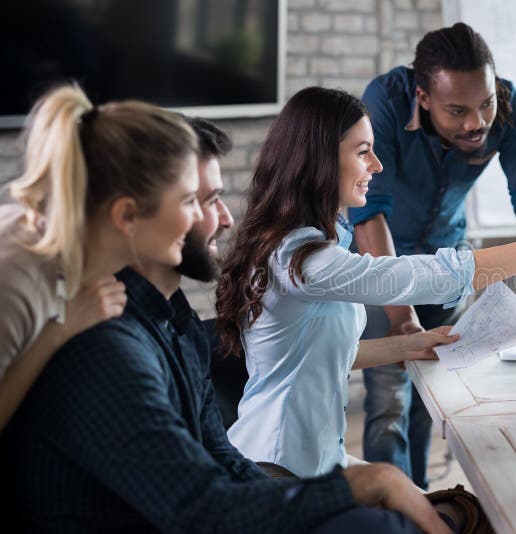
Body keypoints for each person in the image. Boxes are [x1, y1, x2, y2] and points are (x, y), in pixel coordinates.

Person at [1, 116, 476, 534]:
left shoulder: (174, 321)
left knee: (429, 512)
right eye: (196, 200)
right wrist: (364, 483)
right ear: (128, 217)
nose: (226, 218)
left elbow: (224, 460)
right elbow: (199, 510)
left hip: (243, 488)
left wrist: (344, 490)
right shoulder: (105, 348)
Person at [215, 86, 516, 481]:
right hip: (278, 467)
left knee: (419, 500)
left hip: (315, 458)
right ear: (321, 160)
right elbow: (432, 277)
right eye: (363, 151)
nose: (377, 165)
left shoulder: (304, 243)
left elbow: (313, 354)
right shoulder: (303, 258)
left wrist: (410, 345)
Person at [350, 22, 516, 487]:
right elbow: (369, 214)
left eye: (484, 103)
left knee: (431, 394)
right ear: (424, 98)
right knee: (389, 400)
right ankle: (391, 511)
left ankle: (419, 497)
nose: (477, 122)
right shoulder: (384, 100)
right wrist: (402, 317)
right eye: (458, 110)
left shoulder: (504, 106)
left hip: (448, 265)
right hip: (381, 261)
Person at [0, 84, 203, 430]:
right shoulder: (18, 280)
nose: (198, 217)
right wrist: (59, 331)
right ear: (126, 216)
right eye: (187, 200)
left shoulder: (80, 251)